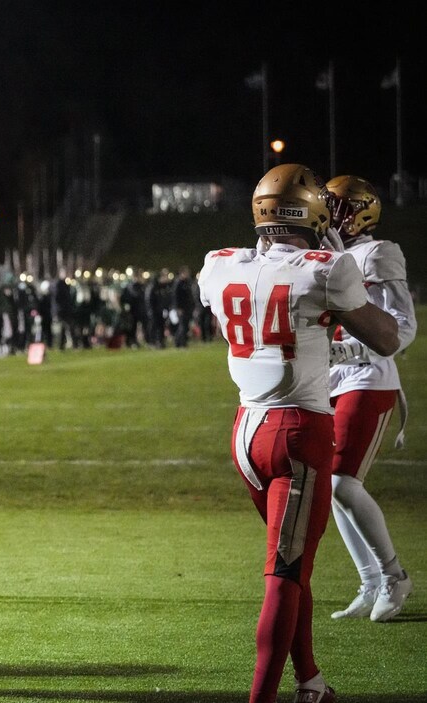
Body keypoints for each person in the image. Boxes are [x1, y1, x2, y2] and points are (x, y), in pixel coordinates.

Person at [197, 164, 398, 703]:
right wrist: (340, 261)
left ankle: (310, 681)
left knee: (295, 564)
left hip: (245, 433)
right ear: (313, 212)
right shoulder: (326, 268)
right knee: (285, 574)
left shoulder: (219, 265)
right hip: (297, 432)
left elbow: (261, 284)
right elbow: (386, 339)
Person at [323, 175, 417, 622]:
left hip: (368, 375)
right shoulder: (325, 253)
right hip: (332, 379)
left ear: (360, 212)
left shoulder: (375, 253)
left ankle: (393, 574)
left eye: (336, 207)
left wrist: (348, 349)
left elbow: (402, 327)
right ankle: (370, 580)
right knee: (330, 485)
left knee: (342, 481)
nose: (328, 213)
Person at [171, 265, 196, 348]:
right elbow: (175, 297)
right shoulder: (178, 283)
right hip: (181, 309)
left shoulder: (187, 282)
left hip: (187, 308)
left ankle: (182, 342)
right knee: (182, 326)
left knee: (185, 325)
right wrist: (178, 308)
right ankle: (179, 342)